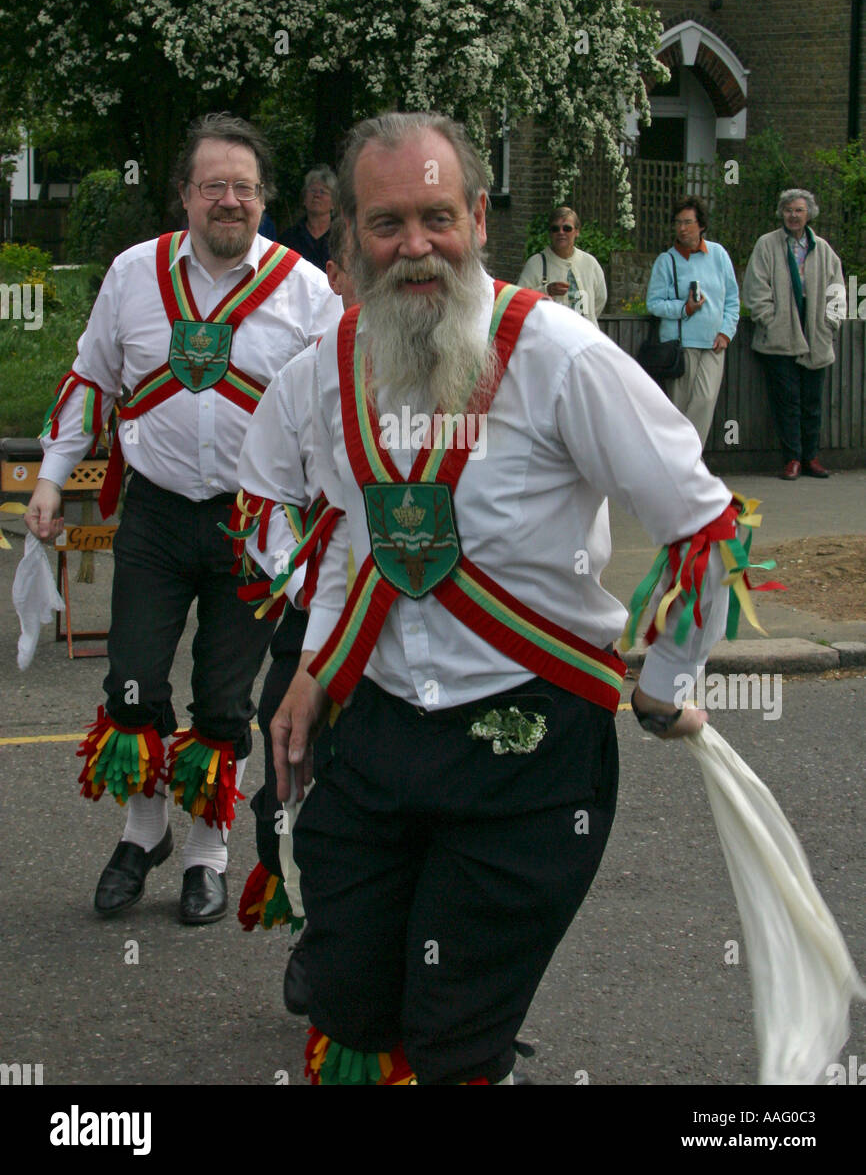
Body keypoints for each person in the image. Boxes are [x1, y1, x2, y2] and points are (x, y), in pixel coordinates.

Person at [266, 112, 759, 1087]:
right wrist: (316, 663)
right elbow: (336, 533)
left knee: (453, 1039)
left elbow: (705, 525)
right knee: (348, 1008)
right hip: (372, 738)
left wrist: (662, 680)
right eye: (385, 221)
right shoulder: (331, 366)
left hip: (525, 751)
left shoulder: (560, 356)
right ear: (349, 234)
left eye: (436, 216)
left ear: (479, 217)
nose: (414, 245)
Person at [26, 112, 341, 925]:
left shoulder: (306, 293)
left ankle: (208, 851)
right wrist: (55, 480)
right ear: (185, 197)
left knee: (223, 701)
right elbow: (91, 379)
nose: (228, 201)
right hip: (157, 515)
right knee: (130, 680)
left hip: (254, 528)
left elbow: (341, 414)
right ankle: (144, 832)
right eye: (213, 187)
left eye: (243, 187)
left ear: (264, 199)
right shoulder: (134, 274)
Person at [231, 223, 356, 1015]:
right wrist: (299, 563)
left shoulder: (463, 370)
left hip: (429, 634)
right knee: (278, 793)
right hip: (313, 620)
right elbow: (259, 496)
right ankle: (310, 925)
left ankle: (418, 981)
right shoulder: (306, 377)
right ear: (337, 276)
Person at [742, 189, 844, 479]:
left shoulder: (823, 249)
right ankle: (792, 459)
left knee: (812, 402)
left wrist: (830, 323)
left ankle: (811, 457)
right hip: (779, 338)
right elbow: (755, 288)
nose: (793, 215)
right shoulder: (766, 244)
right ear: (781, 213)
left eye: (799, 210)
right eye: (788, 210)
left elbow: (837, 289)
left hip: (815, 334)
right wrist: (769, 321)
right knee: (787, 402)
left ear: (809, 214)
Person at [645, 195, 740, 449]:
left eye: (688, 222)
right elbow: (653, 303)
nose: (682, 228)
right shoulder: (667, 261)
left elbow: (732, 298)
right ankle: (676, 461)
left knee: (705, 402)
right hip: (680, 345)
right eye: (678, 223)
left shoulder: (718, 254)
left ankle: (689, 460)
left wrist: (726, 332)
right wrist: (684, 308)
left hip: (713, 343)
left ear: (701, 225)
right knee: (679, 406)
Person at [517, 206, 607, 324]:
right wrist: (546, 290)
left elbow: (600, 299)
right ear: (550, 233)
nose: (561, 233)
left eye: (567, 228)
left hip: (584, 337)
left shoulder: (590, 263)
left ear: (577, 231)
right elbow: (519, 300)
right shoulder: (536, 264)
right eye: (555, 229)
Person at [283, 166, 338, 273]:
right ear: (304, 199)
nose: (317, 195)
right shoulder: (289, 238)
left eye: (323, 192)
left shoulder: (343, 238)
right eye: (313, 190)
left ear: (334, 203)